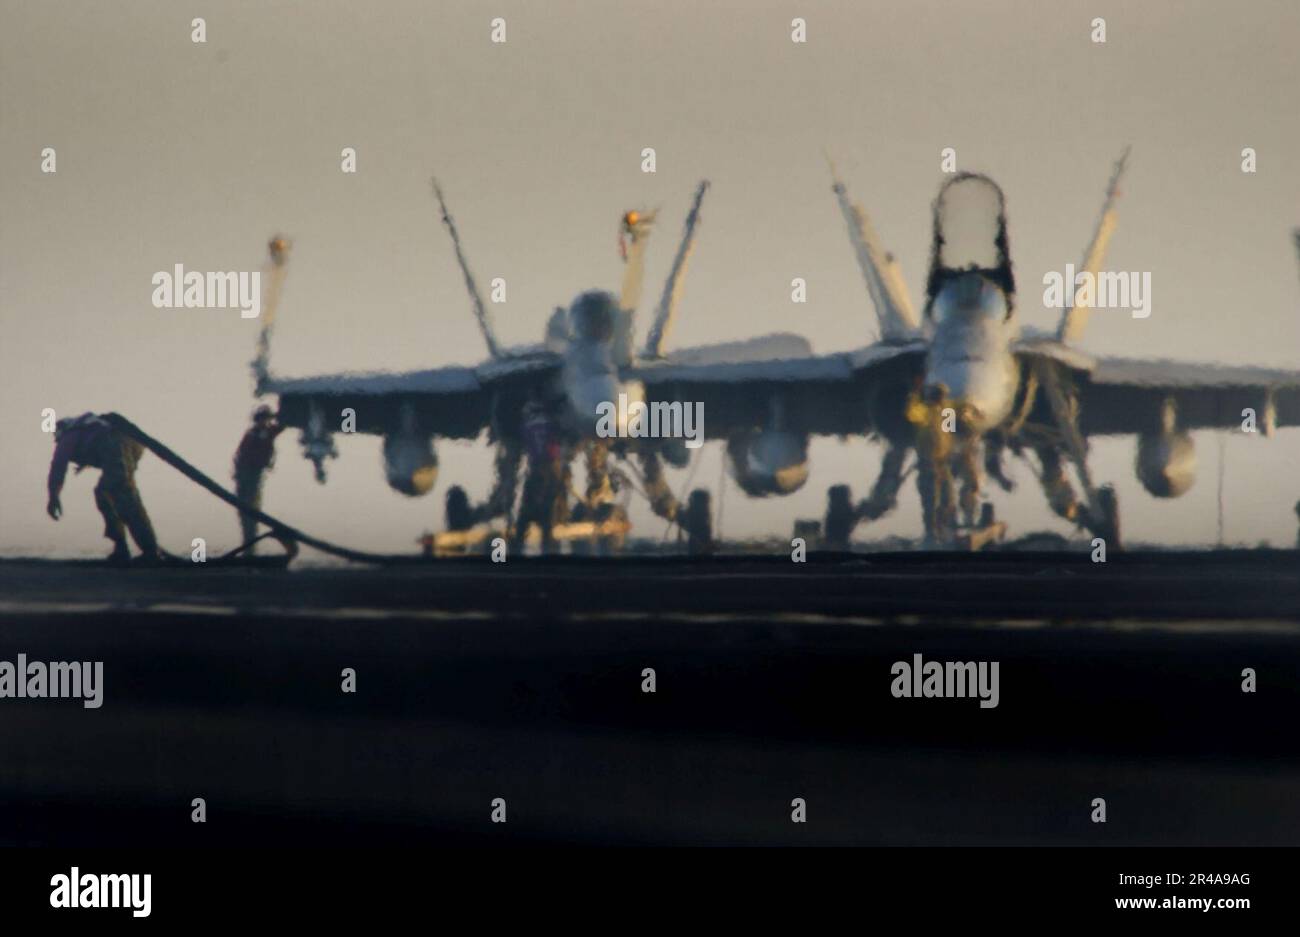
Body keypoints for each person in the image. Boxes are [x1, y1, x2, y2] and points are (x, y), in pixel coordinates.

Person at [47, 413, 160, 564]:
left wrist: (53, 496)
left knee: (119, 494)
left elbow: (58, 466)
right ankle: (130, 548)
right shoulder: (89, 427)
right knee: (110, 492)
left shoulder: (69, 434)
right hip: (133, 444)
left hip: (117, 442)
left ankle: (145, 550)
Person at [232, 405, 287, 552]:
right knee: (248, 510)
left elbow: (281, 426)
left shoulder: (265, 432)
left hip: (253, 474)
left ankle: (250, 547)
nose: (266, 422)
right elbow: (242, 456)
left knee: (251, 511)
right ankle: (249, 547)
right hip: (247, 475)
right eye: (264, 418)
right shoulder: (255, 434)